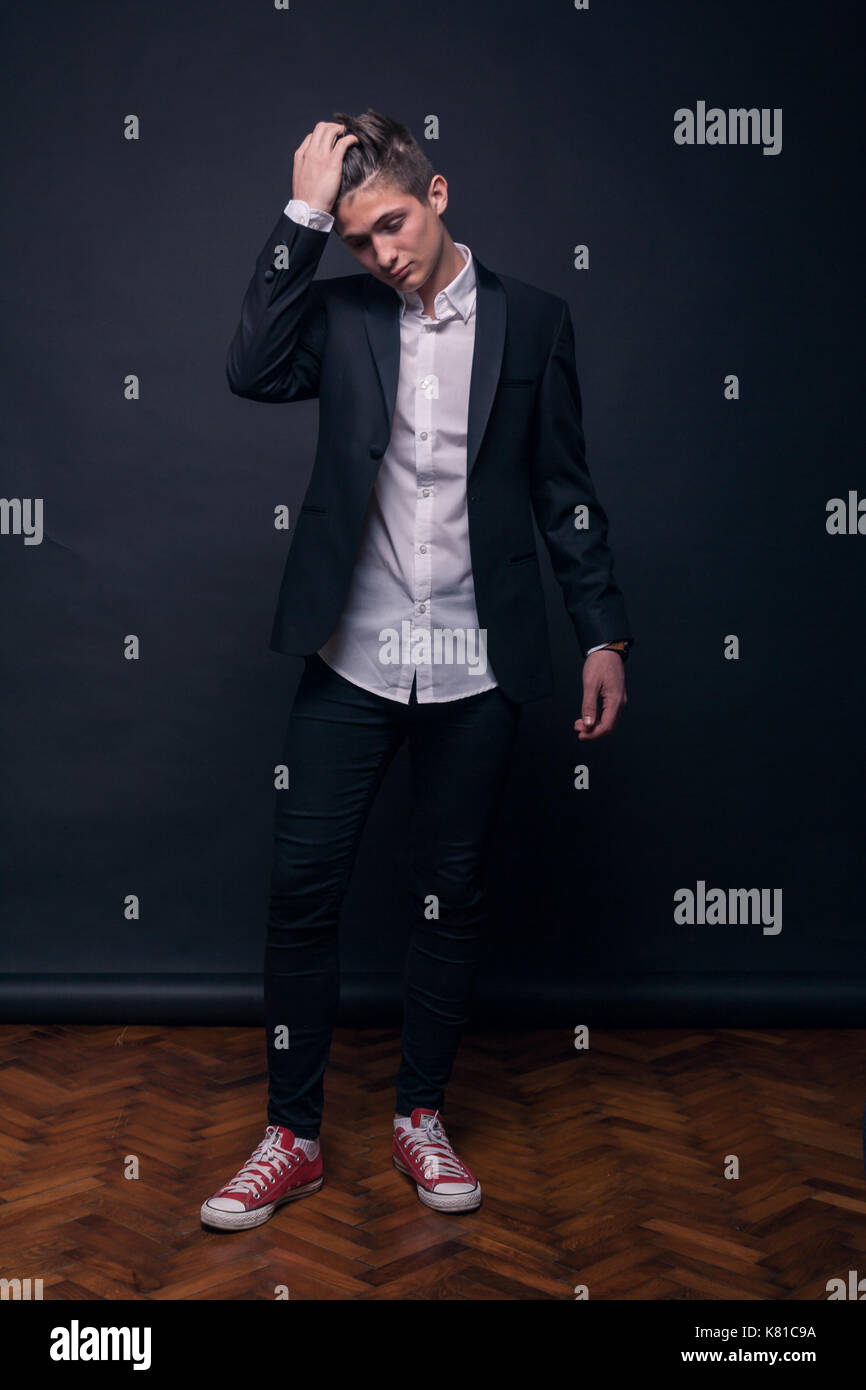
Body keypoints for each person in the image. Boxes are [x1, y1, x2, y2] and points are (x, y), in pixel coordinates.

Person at [201, 110, 633, 1231]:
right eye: (357, 241)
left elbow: (562, 489)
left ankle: (419, 1114)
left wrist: (601, 631)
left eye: (390, 224)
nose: (380, 254)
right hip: (350, 659)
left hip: (479, 667)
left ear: (436, 194)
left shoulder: (535, 323)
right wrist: (300, 217)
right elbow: (248, 368)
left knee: (452, 896)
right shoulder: (342, 319)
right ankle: (290, 1136)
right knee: (303, 897)